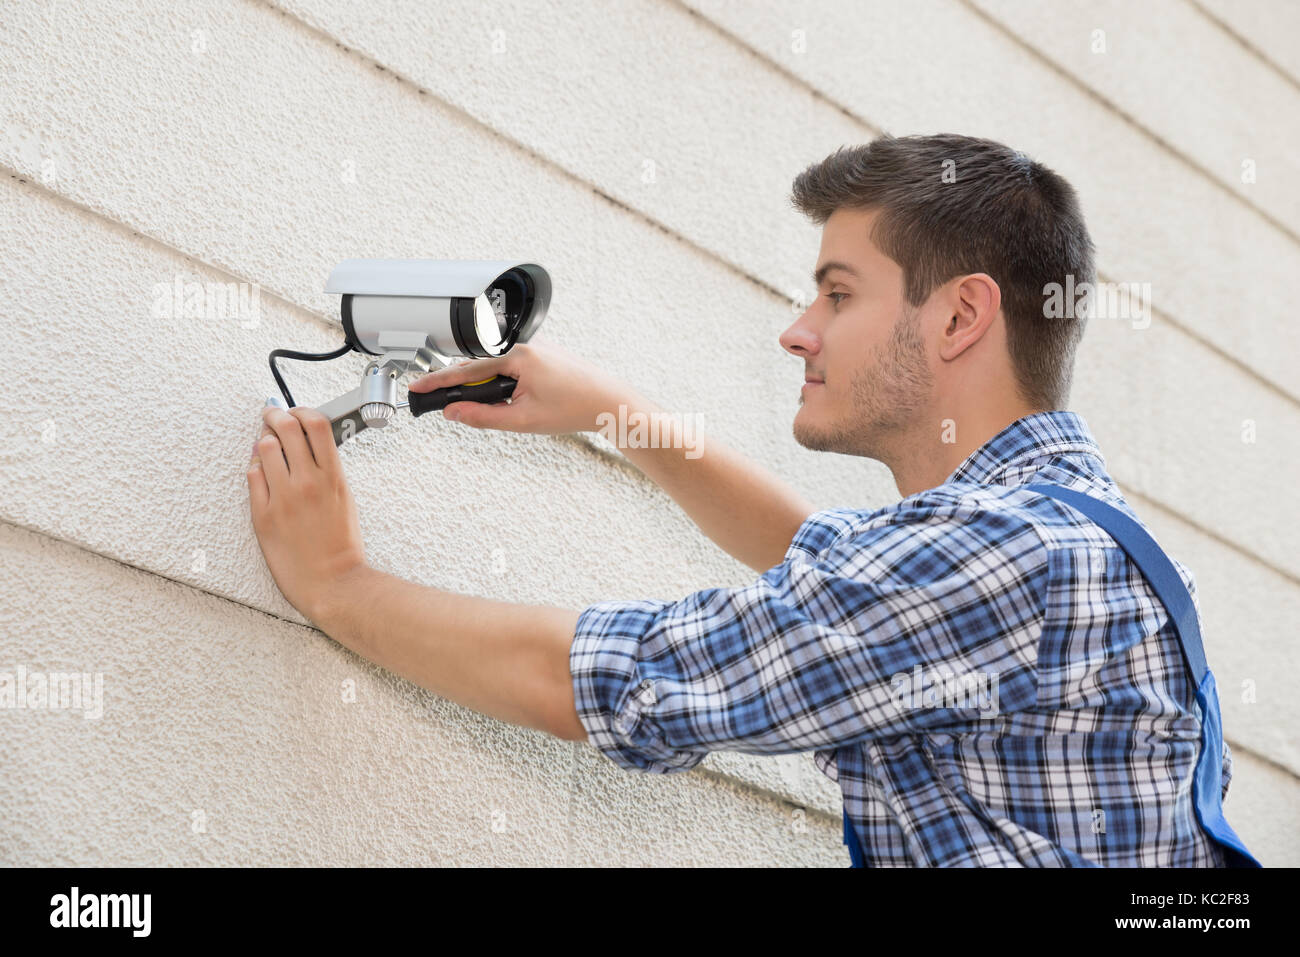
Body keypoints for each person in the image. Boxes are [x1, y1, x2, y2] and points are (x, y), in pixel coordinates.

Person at [247, 133, 1236, 866]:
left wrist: (337, 583)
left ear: (960, 317)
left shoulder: (1010, 558)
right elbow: (829, 570)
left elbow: (593, 680)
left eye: (838, 295)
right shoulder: (1053, 537)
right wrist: (614, 416)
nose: (798, 332)